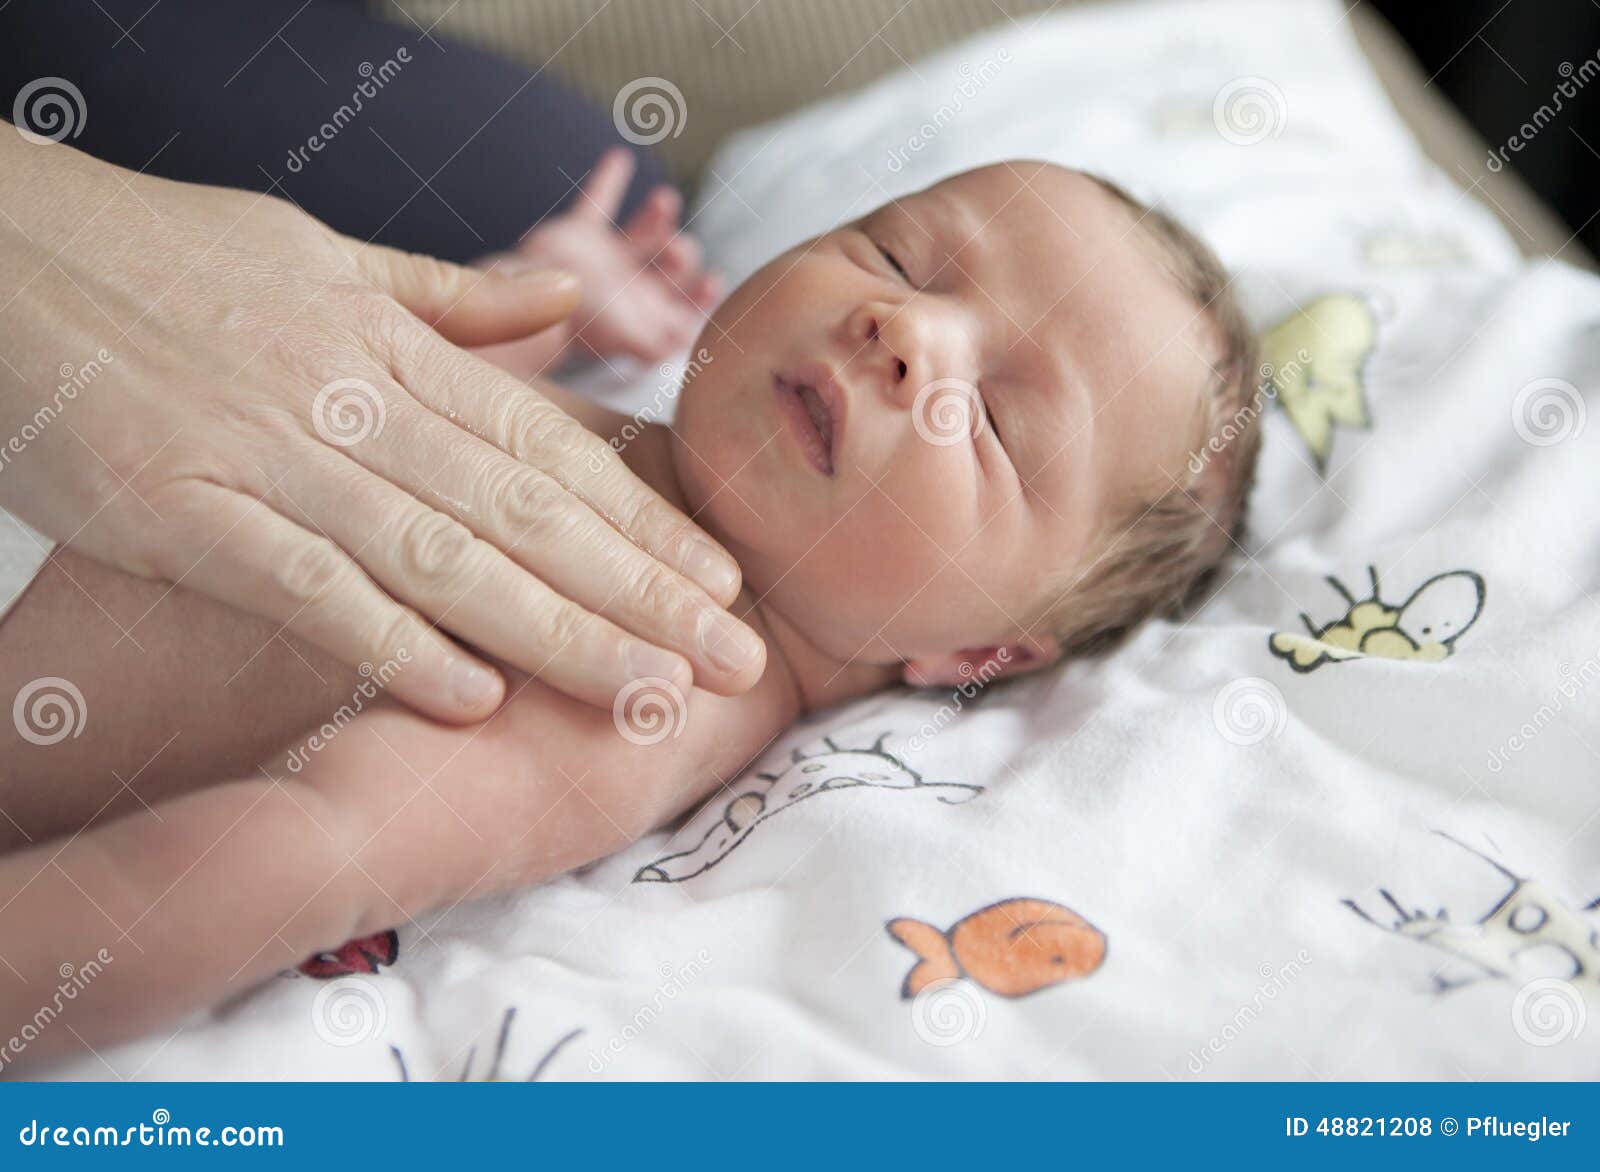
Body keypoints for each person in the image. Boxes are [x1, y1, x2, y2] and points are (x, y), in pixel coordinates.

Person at [0, 162, 1262, 1063]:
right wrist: (536, 301)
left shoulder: (669, 672)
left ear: (976, 651)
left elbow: (294, 855)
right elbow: (366, 395)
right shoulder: (636, 454)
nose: (907, 328)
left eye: (995, 419)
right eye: (894, 252)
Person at [0, 128, 764, 722]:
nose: (886, 334)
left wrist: (531, 311)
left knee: (568, 154)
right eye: (883, 257)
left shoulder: (679, 700)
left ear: (893, 659)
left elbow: (398, 373)